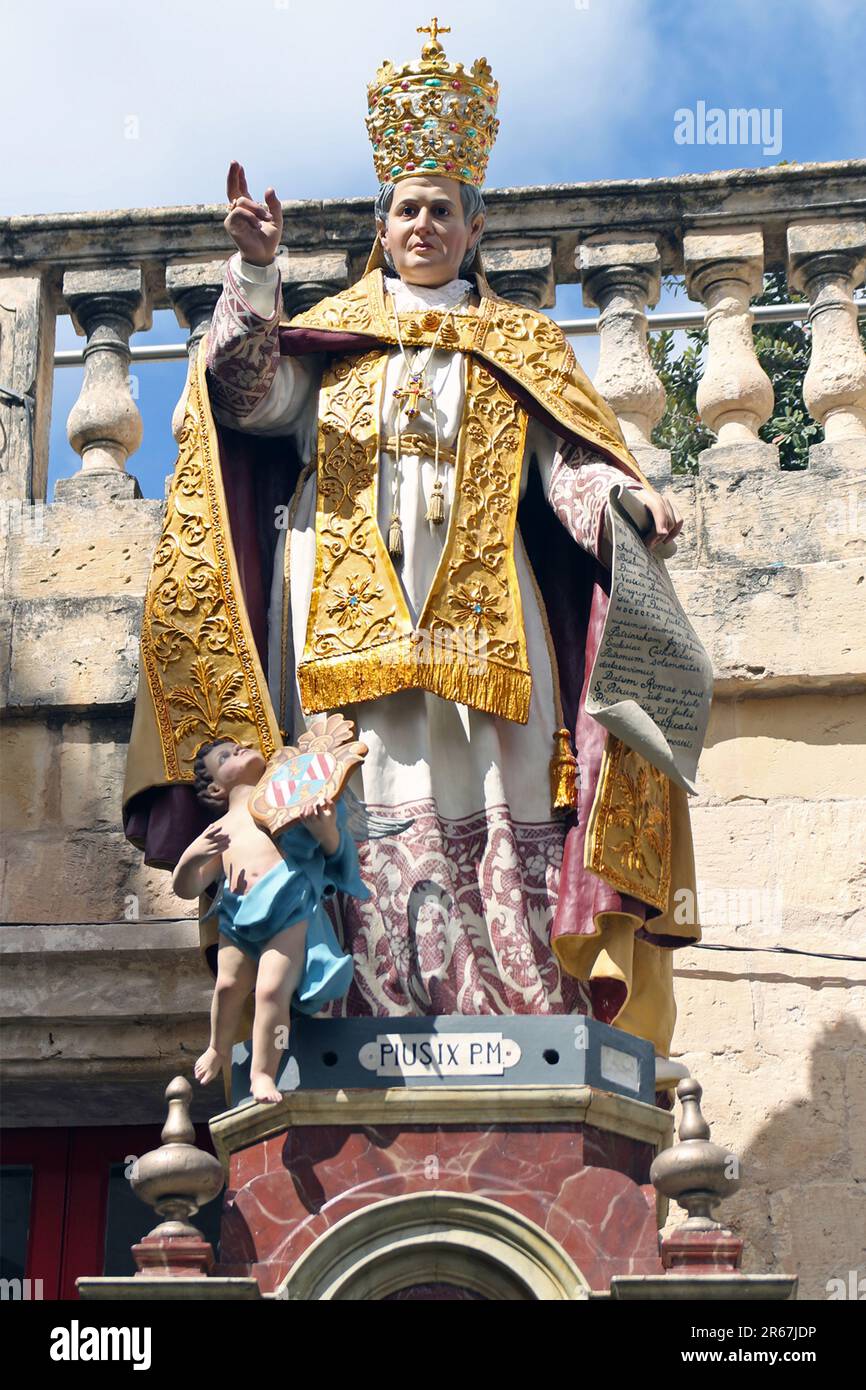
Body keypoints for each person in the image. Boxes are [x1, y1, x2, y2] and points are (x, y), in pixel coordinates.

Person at [124, 21, 700, 1065]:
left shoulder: (522, 345)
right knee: (362, 797)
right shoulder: (333, 338)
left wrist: (622, 499)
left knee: (496, 791)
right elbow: (245, 400)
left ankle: (515, 1017)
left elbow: (561, 465)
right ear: (380, 228)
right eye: (404, 208)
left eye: (442, 208)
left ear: (473, 229)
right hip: (343, 623)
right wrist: (255, 277)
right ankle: (352, 1020)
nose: (421, 223)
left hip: (489, 627)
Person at [172, 738, 368, 1103]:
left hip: (288, 908)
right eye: (225, 755)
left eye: (239, 745)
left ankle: (263, 1073)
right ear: (215, 786)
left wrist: (327, 833)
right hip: (237, 916)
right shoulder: (221, 829)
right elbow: (187, 888)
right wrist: (191, 857)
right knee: (228, 986)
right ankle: (218, 1047)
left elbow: (335, 854)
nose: (242, 746)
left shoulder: (288, 802)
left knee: (270, 991)